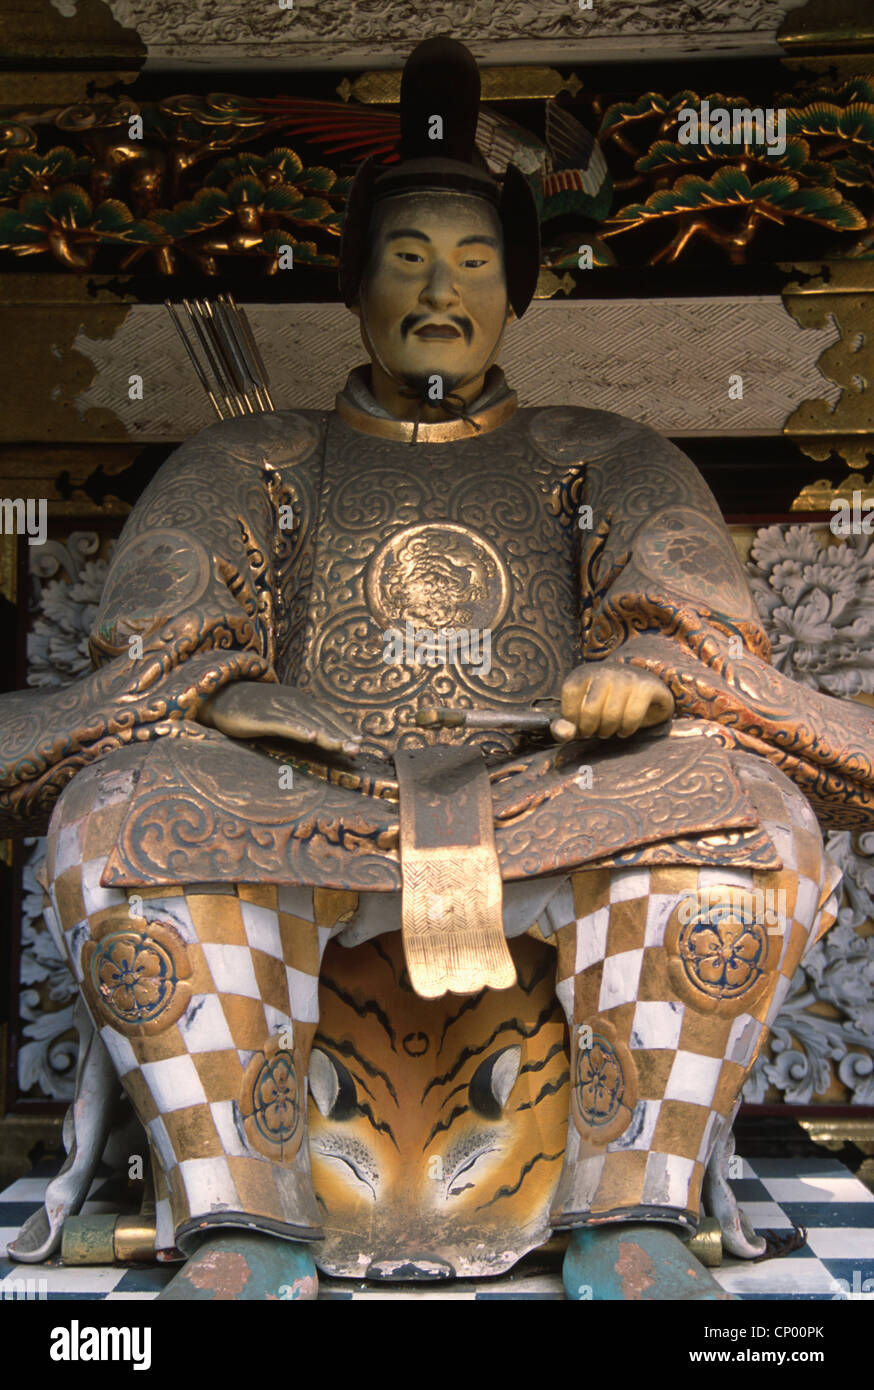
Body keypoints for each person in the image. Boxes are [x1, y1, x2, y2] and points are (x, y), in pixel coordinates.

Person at [3, 39, 873, 1300]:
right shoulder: (257, 457)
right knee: (115, 816)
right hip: (310, 798)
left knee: (752, 818)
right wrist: (227, 691)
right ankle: (243, 1218)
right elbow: (162, 642)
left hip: (547, 795)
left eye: (471, 261)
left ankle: (623, 1209)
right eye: (404, 258)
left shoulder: (602, 452)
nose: (437, 289)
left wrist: (642, 673)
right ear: (353, 286)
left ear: (517, 288)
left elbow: (695, 625)